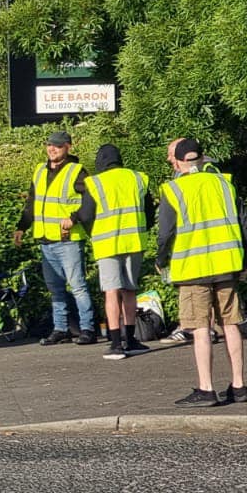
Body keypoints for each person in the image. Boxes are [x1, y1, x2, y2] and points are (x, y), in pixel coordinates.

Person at [157, 138, 247, 407]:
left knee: (200, 328)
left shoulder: (173, 189)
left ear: (178, 162)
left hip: (192, 268)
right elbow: (244, 222)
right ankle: (239, 385)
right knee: (230, 324)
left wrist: (160, 259)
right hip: (227, 265)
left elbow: (166, 233)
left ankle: (206, 389)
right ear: (201, 158)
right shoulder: (224, 182)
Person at [72, 144, 155, 361]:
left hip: (107, 244)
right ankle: (132, 338)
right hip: (135, 241)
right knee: (129, 290)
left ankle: (116, 342)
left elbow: (87, 214)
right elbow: (149, 209)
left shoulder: (95, 182)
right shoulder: (138, 178)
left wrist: (94, 233)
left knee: (111, 291)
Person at [13, 130, 96, 345]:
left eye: (57, 146)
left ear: (68, 147)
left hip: (67, 240)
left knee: (77, 286)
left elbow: (91, 200)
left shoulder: (77, 171)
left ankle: (87, 328)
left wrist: (75, 217)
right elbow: (32, 202)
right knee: (55, 289)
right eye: (49, 145)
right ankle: (60, 328)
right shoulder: (40, 170)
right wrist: (22, 227)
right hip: (45, 239)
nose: (52, 149)